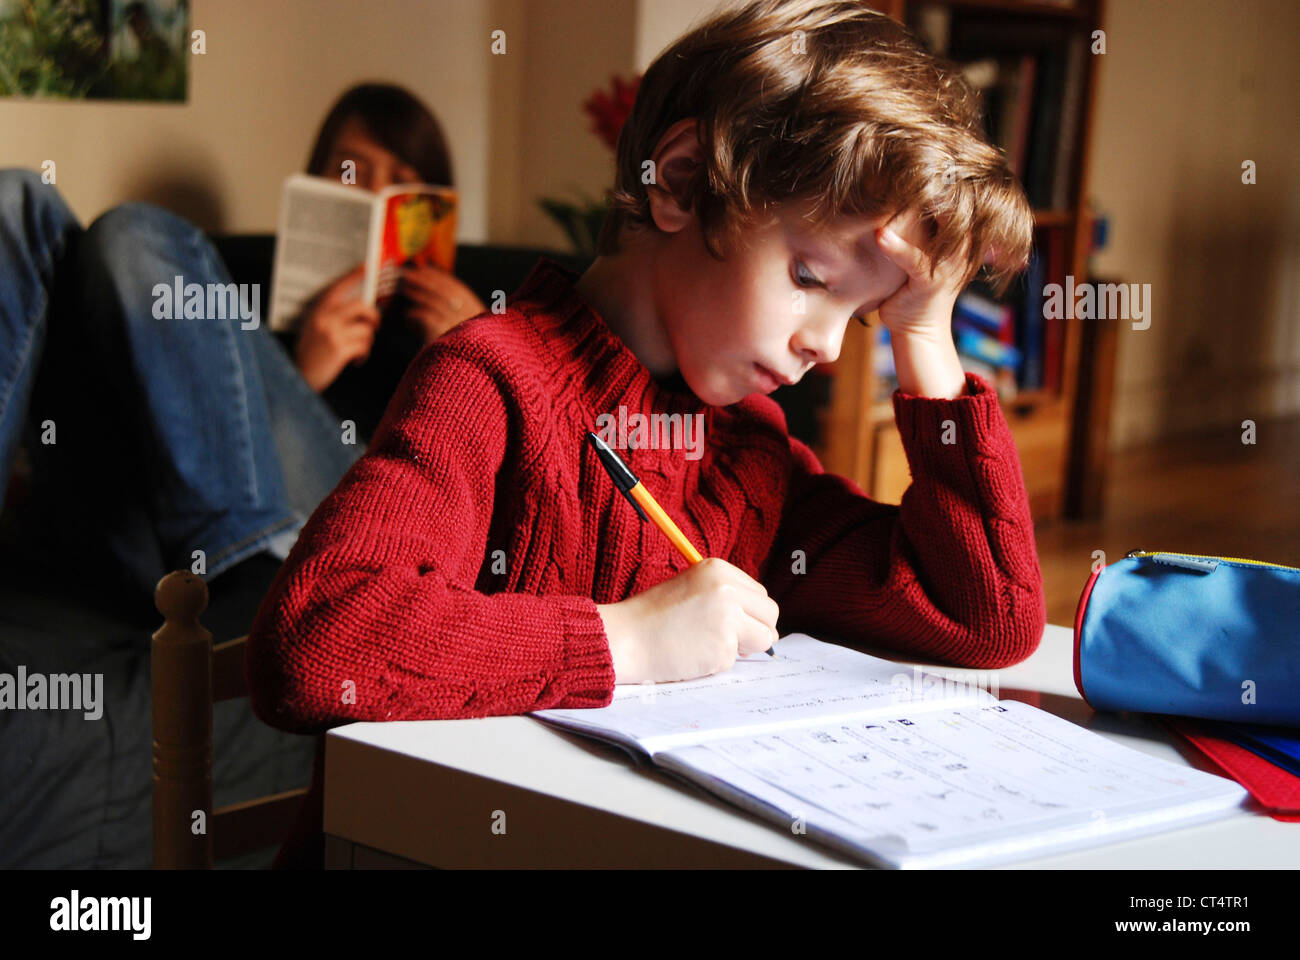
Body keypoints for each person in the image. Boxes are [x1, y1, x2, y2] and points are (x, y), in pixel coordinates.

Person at [246, 0, 1047, 867]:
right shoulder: (489, 379)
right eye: (810, 275)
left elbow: (989, 617)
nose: (824, 343)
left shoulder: (750, 454)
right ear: (682, 181)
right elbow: (317, 638)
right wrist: (624, 640)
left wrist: (925, 337)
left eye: (863, 316)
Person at [0, 83, 483, 619]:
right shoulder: (234, 289)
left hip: (338, 517)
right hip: (140, 516)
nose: (371, 193)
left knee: (133, 232)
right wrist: (304, 366)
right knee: (15, 200)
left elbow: (464, 497)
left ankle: (246, 573)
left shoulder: (458, 325)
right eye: (350, 170)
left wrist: (472, 352)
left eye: (399, 183)